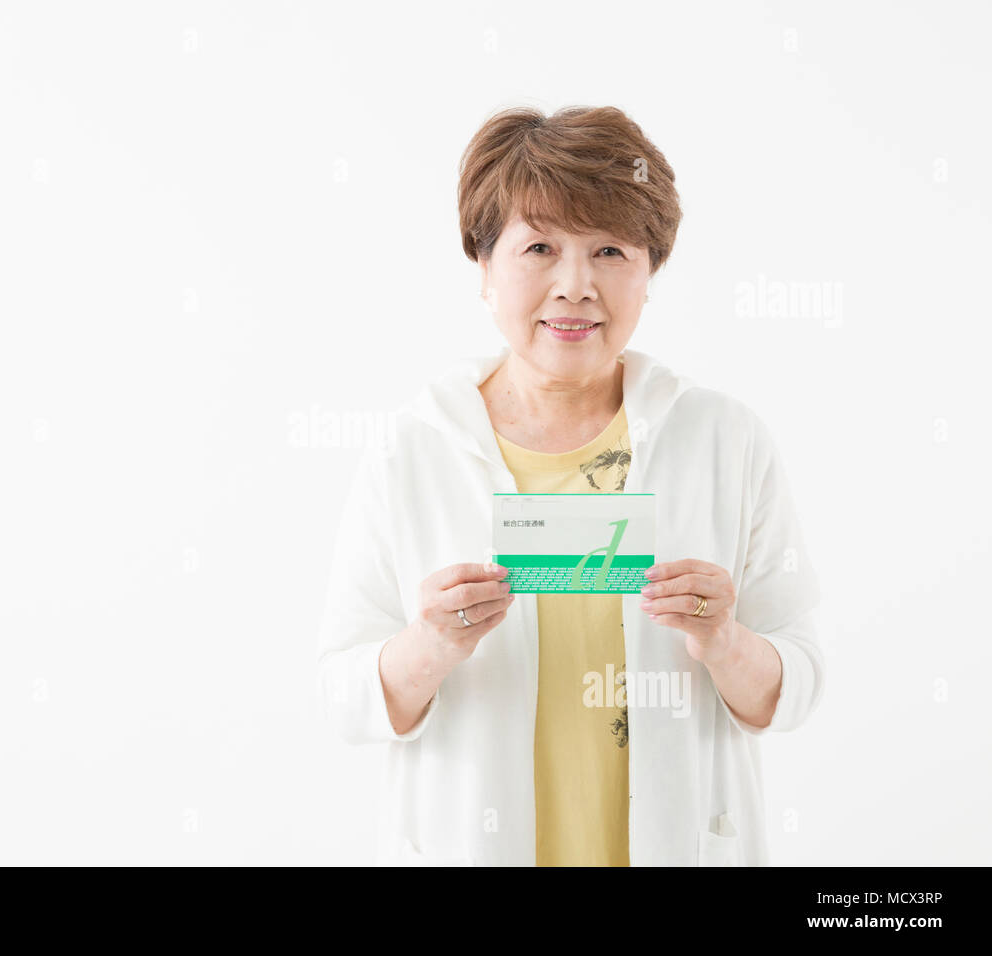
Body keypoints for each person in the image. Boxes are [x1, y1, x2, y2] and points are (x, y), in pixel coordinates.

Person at [316, 105, 825, 866]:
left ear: (651, 270)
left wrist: (723, 640)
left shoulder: (726, 438)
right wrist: (430, 643)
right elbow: (342, 696)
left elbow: (798, 684)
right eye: (541, 247)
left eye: (611, 250)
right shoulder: (411, 451)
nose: (576, 285)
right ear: (484, 267)